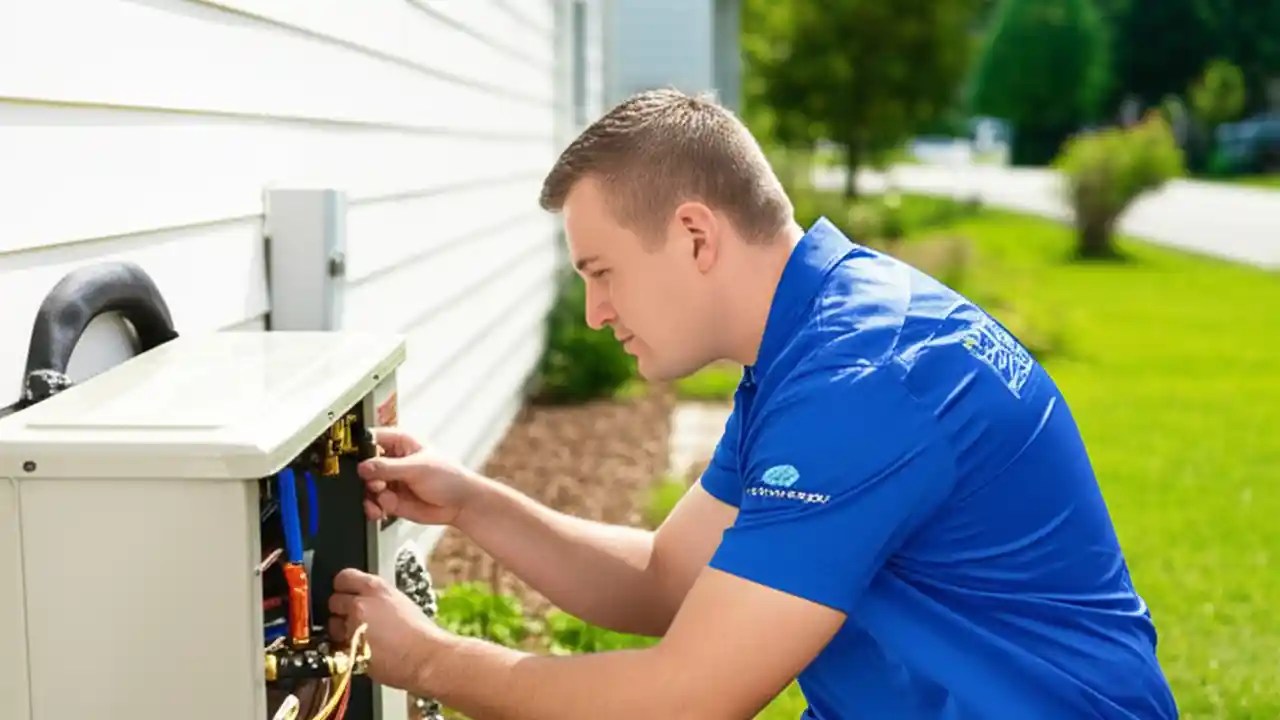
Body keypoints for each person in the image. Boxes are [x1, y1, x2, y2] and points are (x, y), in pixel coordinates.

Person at [325, 88, 1179, 719]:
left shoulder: (864, 378)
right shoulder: (810, 343)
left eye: (601, 272)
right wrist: (473, 503)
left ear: (695, 235)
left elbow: (690, 696)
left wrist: (433, 662)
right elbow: (667, 581)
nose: (595, 312)